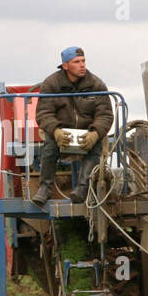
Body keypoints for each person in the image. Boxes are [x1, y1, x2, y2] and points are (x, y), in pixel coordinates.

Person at [32, 46, 113, 204]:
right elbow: (44, 113)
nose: (82, 65)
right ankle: (45, 189)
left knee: (96, 147)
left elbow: (105, 115)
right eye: (77, 62)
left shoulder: (96, 84)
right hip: (62, 133)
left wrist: (94, 133)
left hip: (87, 132)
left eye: (83, 61)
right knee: (49, 147)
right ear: (65, 66)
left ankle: (82, 189)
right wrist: (56, 131)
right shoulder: (51, 84)